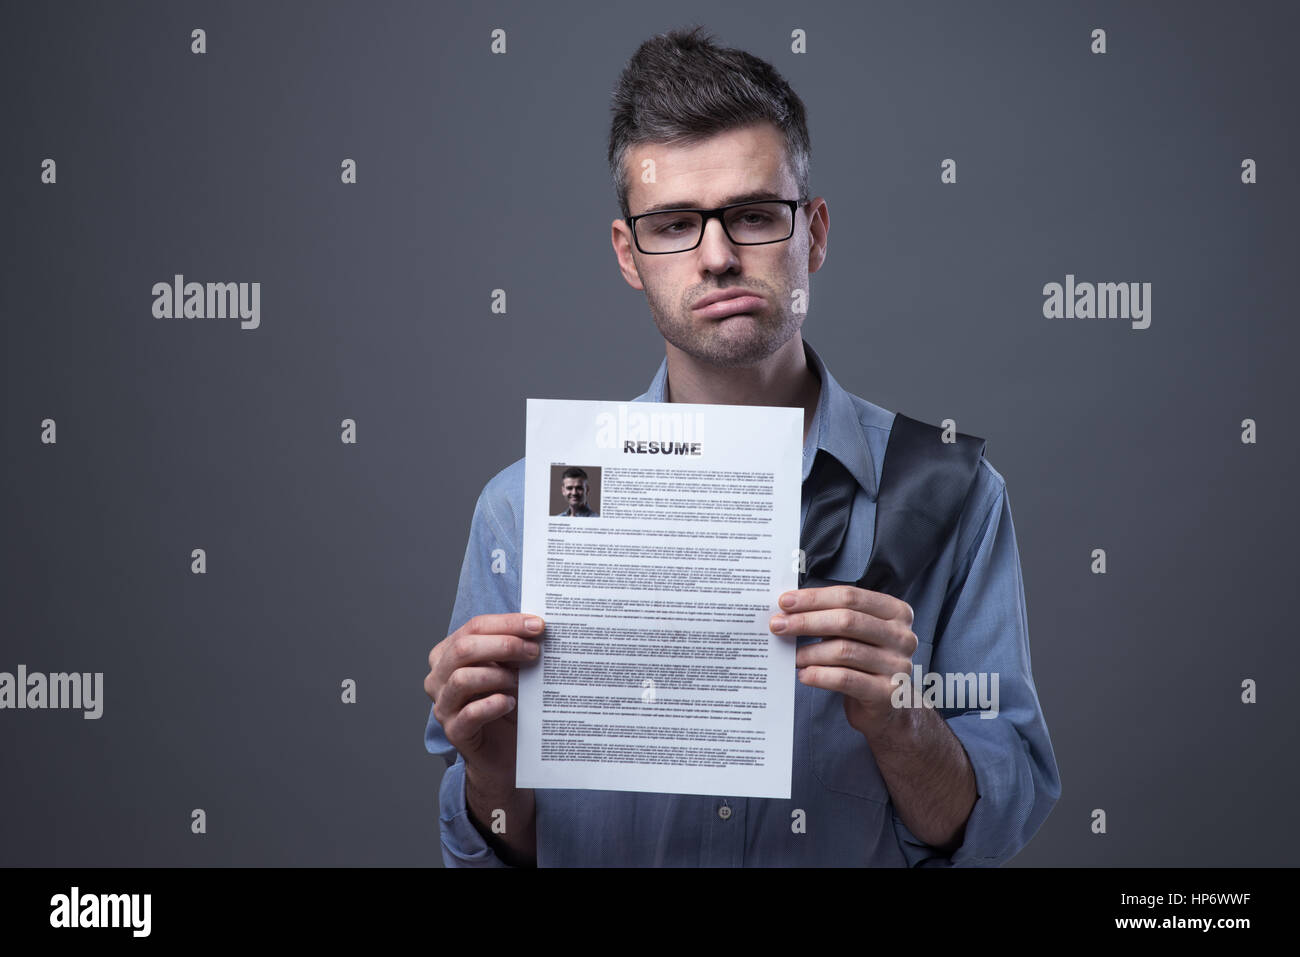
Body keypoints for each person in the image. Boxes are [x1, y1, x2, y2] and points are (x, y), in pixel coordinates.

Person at [424, 26, 1059, 867]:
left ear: (815, 233)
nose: (717, 257)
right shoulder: (521, 508)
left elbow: (993, 827)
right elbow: (493, 849)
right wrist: (493, 774)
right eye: (675, 224)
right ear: (628, 254)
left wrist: (905, 723)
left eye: (754, 215)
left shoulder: (954, 495)